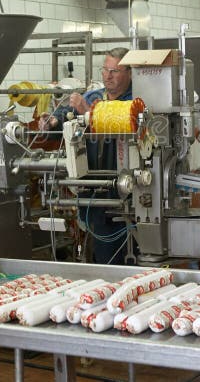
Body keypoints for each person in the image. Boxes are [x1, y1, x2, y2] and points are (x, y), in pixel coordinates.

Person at [39, 47, 133, 264]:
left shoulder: (134, 101)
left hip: (120, 193)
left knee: (118, 257)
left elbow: (119, 121)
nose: (108, 76)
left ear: (129, 73)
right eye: (105, 70)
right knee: (98, 254)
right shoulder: (95, 96)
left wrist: (86, 112)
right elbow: (67, 116)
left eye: (115, 71)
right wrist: (52, 121)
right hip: (91, 189)